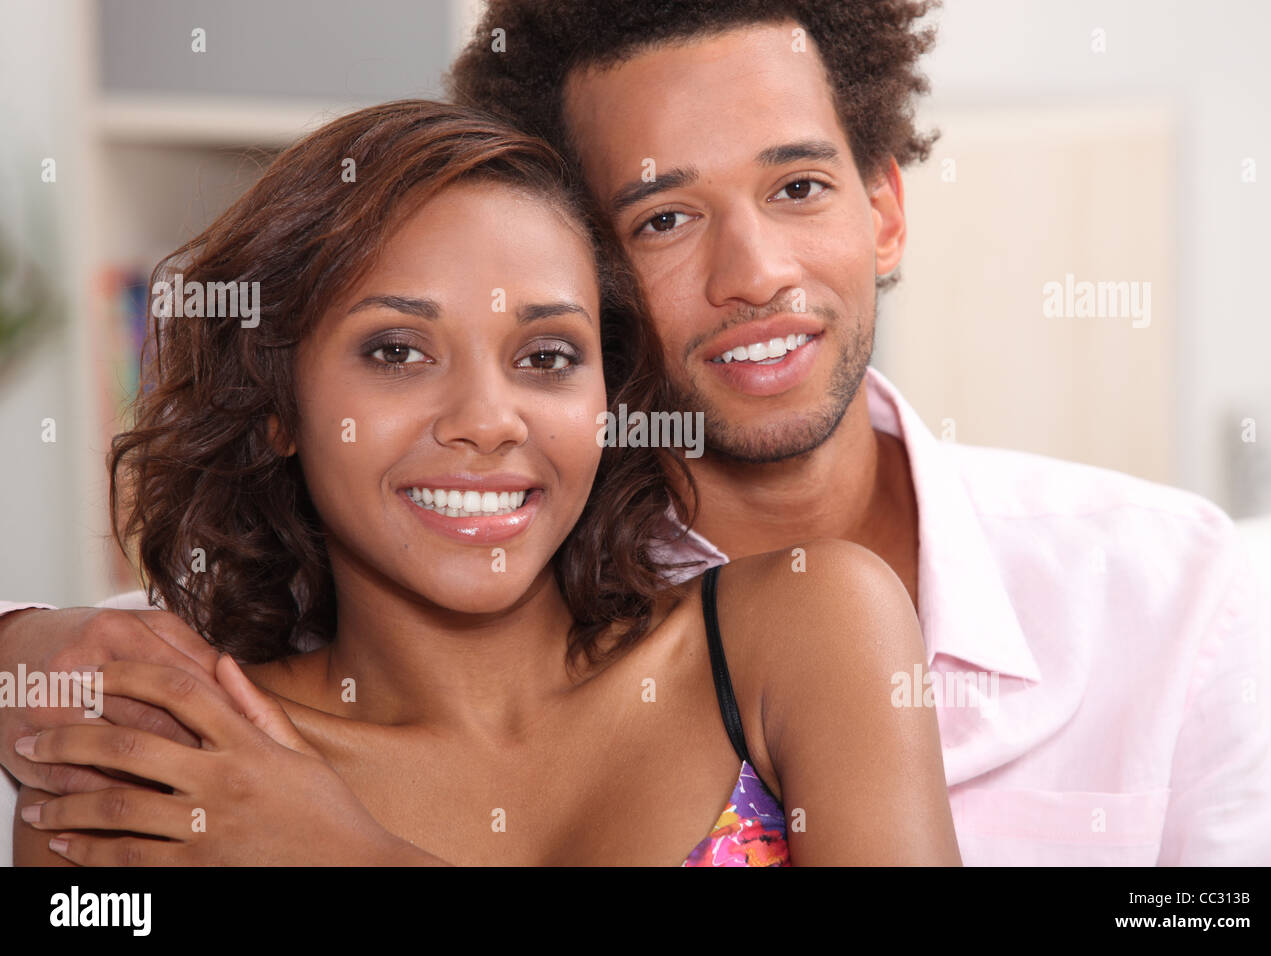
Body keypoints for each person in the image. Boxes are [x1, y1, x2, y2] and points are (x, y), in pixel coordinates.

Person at [3, 0, 1271, 865]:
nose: (754, 273)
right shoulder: (180, 752)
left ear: (885, 208)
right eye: (666, 216)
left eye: (797, 187)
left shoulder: (1152, 588)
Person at [7, 99, 958, 866]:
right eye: (397, 350)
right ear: (276, 407)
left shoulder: (807, 629)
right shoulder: (159, 774)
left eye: (546, 356)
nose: (487, 419)